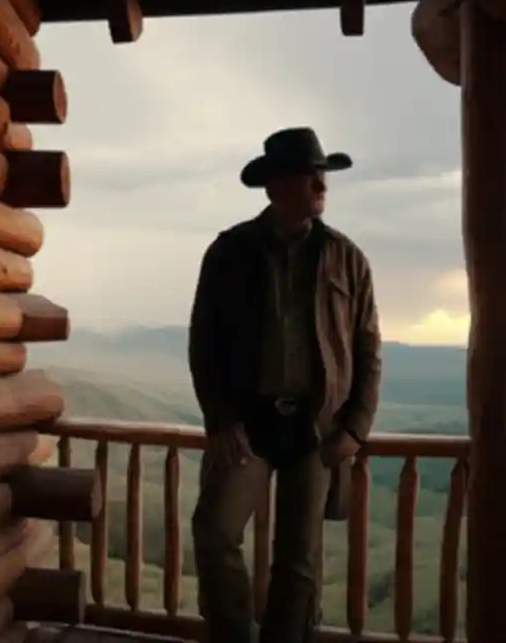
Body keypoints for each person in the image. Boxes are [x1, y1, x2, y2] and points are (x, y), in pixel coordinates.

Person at [188, 127, 382, 643]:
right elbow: (203, 344)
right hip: (246, 427)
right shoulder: (229, 252)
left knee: (299, 560)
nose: (321, 183)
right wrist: (221, 420)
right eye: (308, 174)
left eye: (323, 174)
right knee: (215, 533)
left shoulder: (347, 259)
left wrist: (355, 429)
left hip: (315, 433)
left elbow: (369, 352)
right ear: (275, 186)